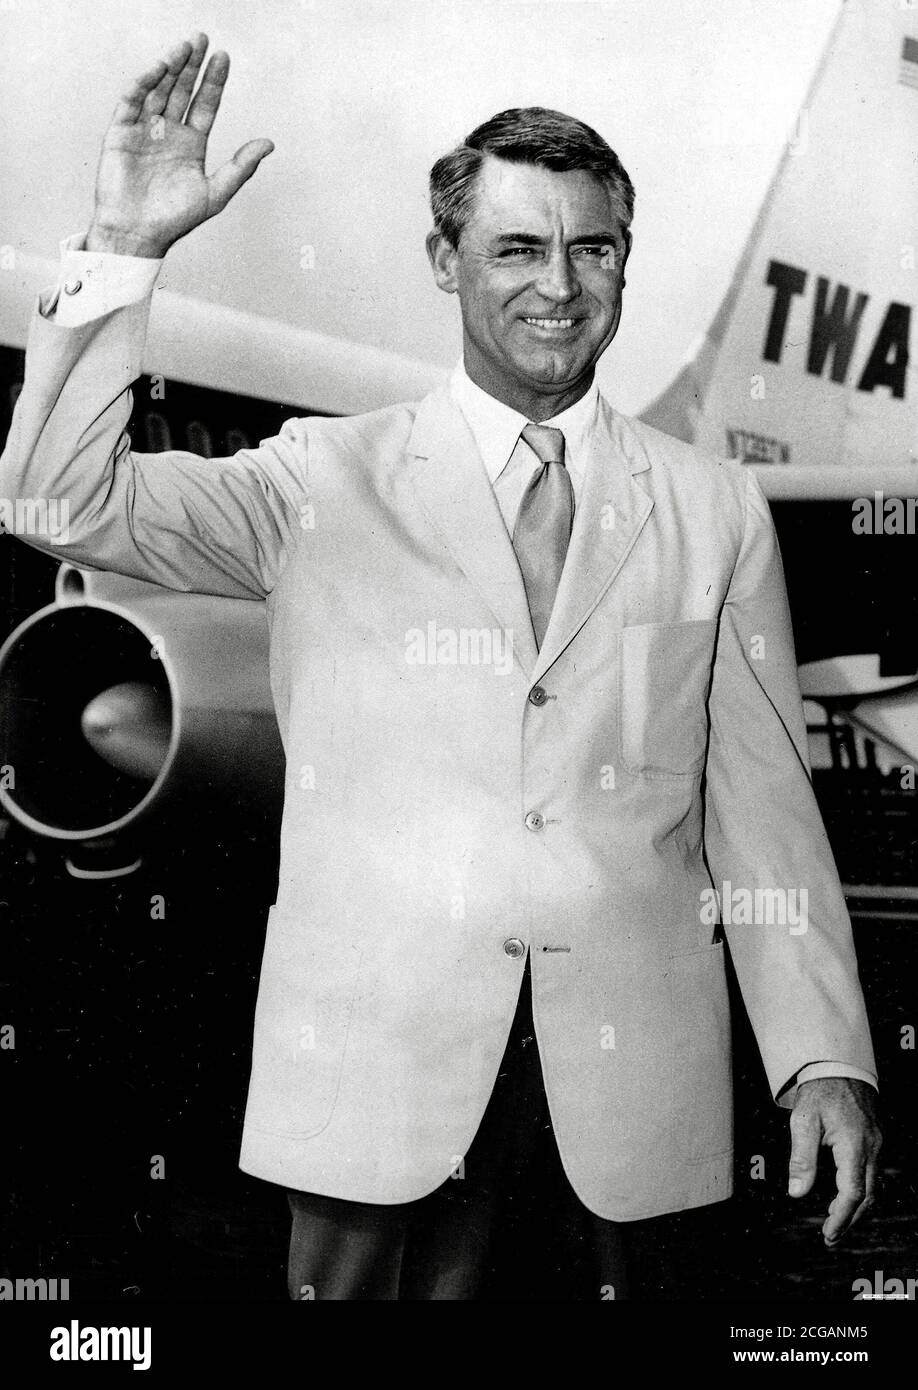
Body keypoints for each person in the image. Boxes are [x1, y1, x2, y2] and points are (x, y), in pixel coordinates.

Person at [0, 34, 881, 1300]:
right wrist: (122, 251)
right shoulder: (318, 478)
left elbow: (763, 822)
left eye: (594, 248)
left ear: (627, 262)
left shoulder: (717, 509)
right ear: (444, 261)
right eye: (518, 248)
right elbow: (52, 496)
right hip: (378, 1105)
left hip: (635, 1127)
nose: (559, 287)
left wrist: (820, 1057)